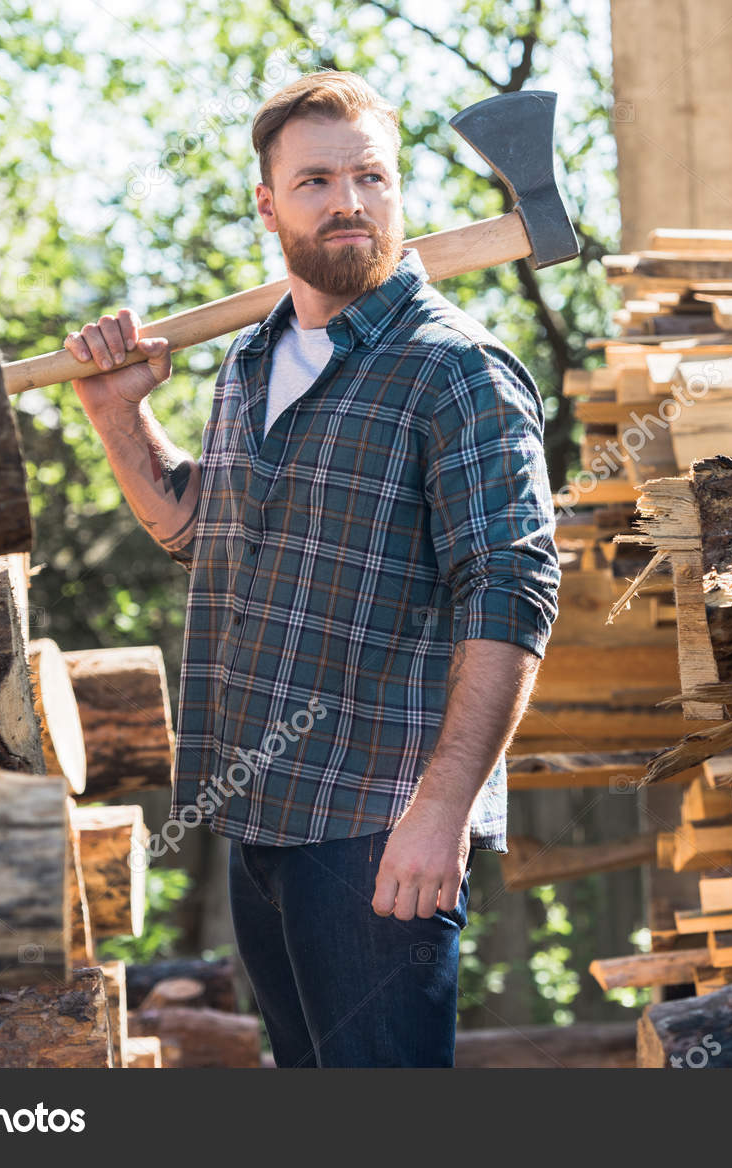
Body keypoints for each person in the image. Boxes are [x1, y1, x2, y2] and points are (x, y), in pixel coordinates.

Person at [64, 70, 561, 1067]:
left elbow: (510, 594)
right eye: (316, 181)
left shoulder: (457, 369)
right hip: (259, 814)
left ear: (400, 192)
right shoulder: (251, 359)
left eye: (371, 178)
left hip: (379, 828)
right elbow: (198, 525)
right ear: (266, 202)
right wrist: (118, 413)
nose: (347, 202)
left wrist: (443, 811)